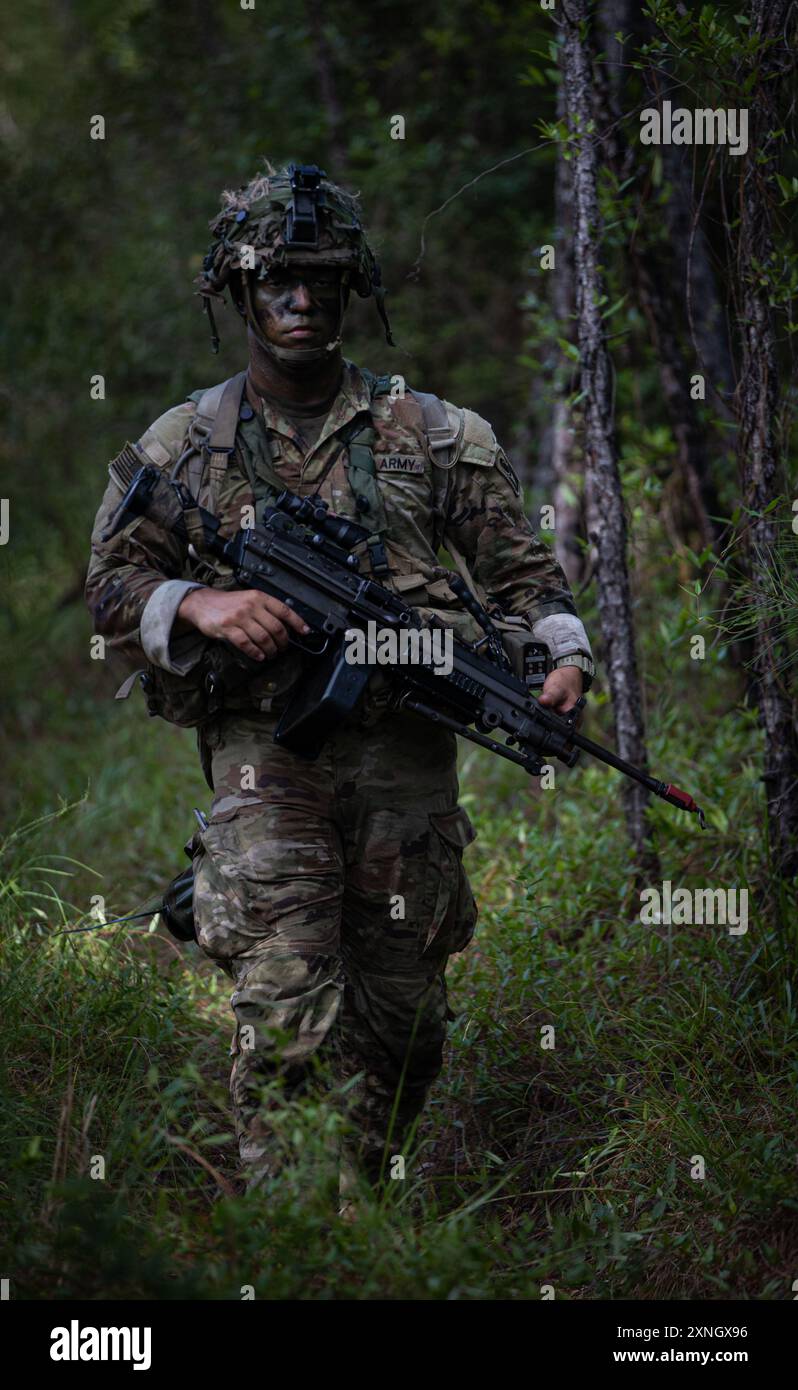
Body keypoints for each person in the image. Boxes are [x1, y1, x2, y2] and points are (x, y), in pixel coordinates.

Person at [85, 163, 594, 1198]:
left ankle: (355, 1205)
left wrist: (564, 657)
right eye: (276, 280)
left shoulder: (434, 435)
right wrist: (198, 604)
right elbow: (106, 584)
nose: (300, 300)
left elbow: (526, 575)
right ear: (238, 293)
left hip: (408, 771)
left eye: (319, 278)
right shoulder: (187, 444)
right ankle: (301, 1239)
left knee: (405, 1026)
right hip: (265, 763)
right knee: (289, 1019)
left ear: (351, 287)